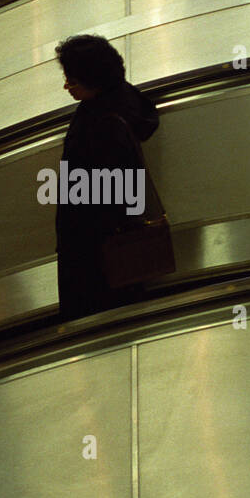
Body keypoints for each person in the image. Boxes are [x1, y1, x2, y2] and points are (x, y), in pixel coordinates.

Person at [54, 34, 160, 321]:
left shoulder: (102, 126)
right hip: (121, 249)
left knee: (99, 317)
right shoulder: (124, 98)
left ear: (94, 80)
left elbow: (100, 204)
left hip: (97, 255)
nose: (67, 86)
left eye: (72, 81)